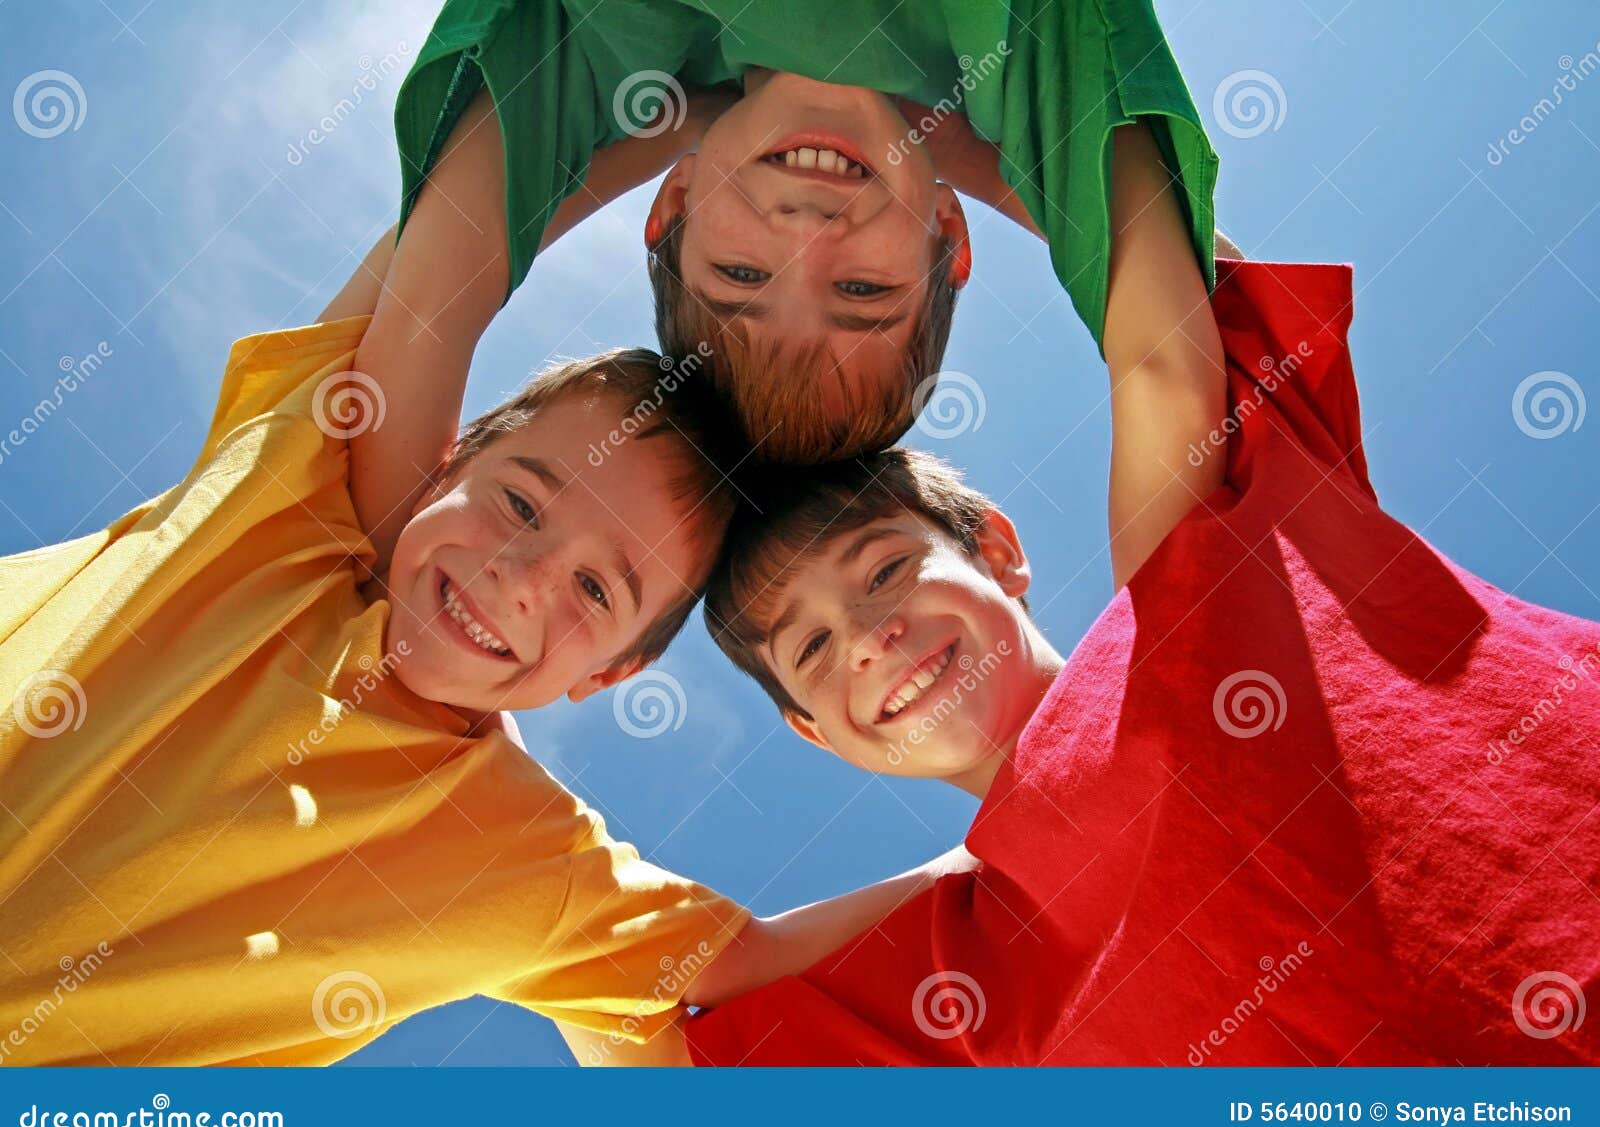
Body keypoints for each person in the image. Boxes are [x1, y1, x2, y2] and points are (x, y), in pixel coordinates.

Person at [0, 107, 966, 1068]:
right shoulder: (279, 521)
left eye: (596, 590)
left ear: (612, 672)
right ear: (445, 464)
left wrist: (1053, 804)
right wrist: (711, 108)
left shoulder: (514, 853)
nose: (519, 576)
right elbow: (463, 224)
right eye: (517, 503)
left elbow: (751, 960)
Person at [682, 127, 1600, 1066]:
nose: (868, 639)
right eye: (811, 651)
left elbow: (1164, 331)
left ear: (997, 551)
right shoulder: (950, 976)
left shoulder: (1200, 582)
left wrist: (927, 131)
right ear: (813, 731)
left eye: (883, 569)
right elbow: (648, 982)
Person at [386, 0, 1218, 471]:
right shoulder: (1018, 50)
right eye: (861, 292)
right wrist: (968, 155)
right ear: (949, 236)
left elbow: (417, 311)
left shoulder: (618, 32)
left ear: (675, 203)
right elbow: (1175, 363)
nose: (809, 234)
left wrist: (678, 123)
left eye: (743, 273)